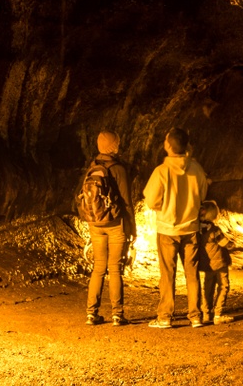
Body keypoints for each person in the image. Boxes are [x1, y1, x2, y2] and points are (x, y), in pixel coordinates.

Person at [142, 127, 210, 329]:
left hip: (167, 230)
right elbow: (203, 195)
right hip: (191, 228)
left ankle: (165, 317)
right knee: (192, 273)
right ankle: (195, 316)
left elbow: (151, 200)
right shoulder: (197, 169)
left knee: (167, 274)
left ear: (168, 146)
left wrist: (164, 208)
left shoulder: (161, 172)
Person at [78, 131, 134, 326]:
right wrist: (131, 227)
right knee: (115, 268)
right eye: (117, 142)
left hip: (95, 223)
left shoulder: (91, 169)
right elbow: (126, 202)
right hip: (114, 223)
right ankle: (118, 314)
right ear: (113, 147)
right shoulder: (118, 169)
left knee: (98, 268)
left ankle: (91, 314)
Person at [197, 200, 234, 324]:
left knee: (207, 288)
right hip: (220, 263)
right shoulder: (214, 229)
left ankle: (206, 314)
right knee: (223, 286)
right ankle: (218, 313)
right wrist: (231, 244)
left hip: (207, 265)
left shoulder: (197, 230)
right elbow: (224, 243)